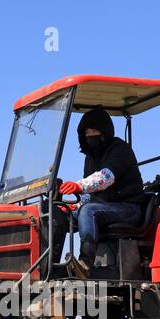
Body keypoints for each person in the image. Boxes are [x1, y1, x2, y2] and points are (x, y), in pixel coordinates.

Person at [54, 107, 145, 278]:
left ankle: (85, 263)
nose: (89, 136)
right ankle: (50, 265)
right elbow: (90, 195)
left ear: (104, 131)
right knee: (55, 213)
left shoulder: (120, 150)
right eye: (86, 132)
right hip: (103, 207)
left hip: (128, 208)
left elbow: (106, 177)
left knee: (89, 211)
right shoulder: (90, 157)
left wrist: (79, 186)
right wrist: (73, 206)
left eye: (93, 131)